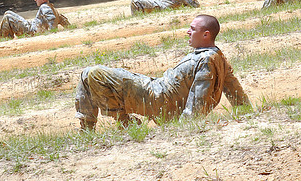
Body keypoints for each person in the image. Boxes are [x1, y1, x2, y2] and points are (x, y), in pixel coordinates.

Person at [75, 14, 251, 130]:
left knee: (94, 74)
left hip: (158, 99)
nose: (187, 32)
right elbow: (234, 88)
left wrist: (186, 127)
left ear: (206, 35)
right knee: (87, 74)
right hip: (157, 91)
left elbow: (198, 98)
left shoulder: (206, 60)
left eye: (192, 29)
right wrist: (247, 111)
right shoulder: (217, 56)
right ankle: (104, 127)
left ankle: (117, 123)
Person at [0, 0, 70, 39]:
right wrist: (69, 28)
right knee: (8, 12)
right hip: (31, 25)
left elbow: (51, 17)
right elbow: (62, 19)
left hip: (31, 31)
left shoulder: (44, 6)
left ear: (43, 0)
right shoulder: (52, 8)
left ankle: (2, 39)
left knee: (7, 17)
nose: (35, 0)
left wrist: (52, 31)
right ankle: (7, 37)